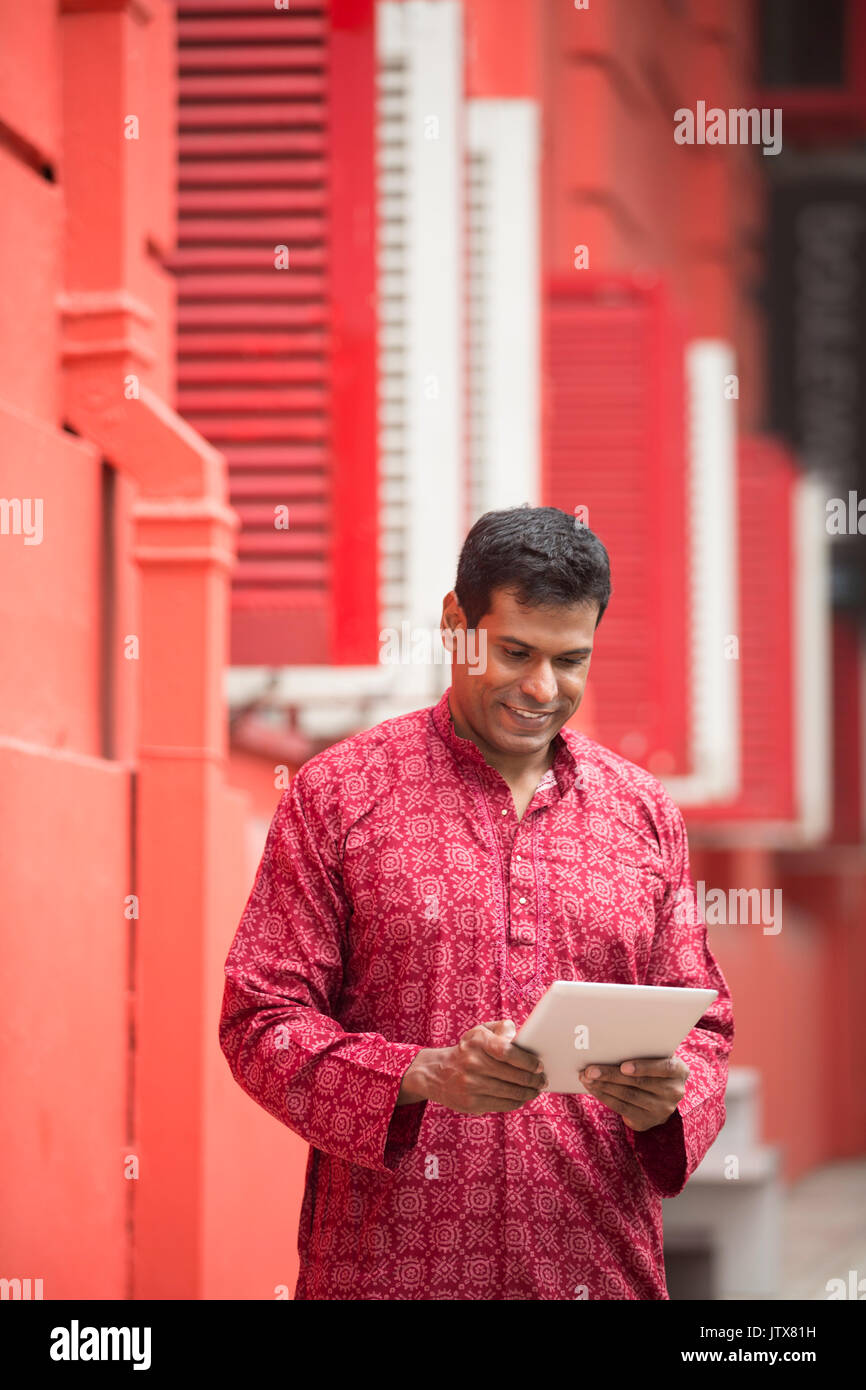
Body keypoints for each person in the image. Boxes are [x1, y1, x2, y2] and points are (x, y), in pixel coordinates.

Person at [219, 505, 734, 1300]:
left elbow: (705, 1031)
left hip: (596, 1271)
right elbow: (260, 1021)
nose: (541, 688)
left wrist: (667, 1098)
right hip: (387, 1275)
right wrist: (417, 1074)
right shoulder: (340, 793)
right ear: (456, 623)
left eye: (570, 661)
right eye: (516, 651)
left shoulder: (643, 811)